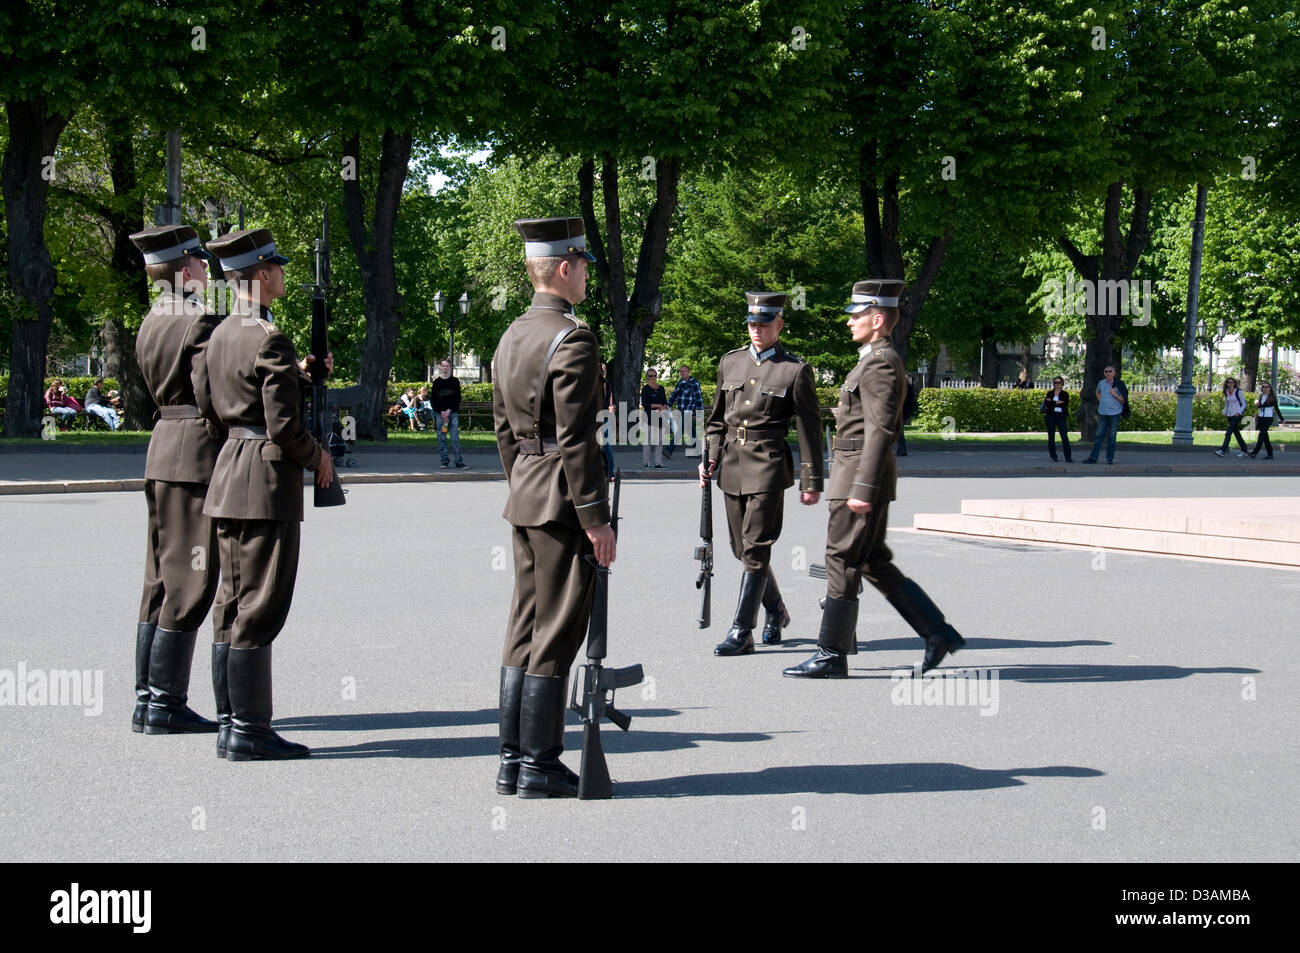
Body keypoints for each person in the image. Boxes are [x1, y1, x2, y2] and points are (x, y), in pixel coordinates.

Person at [198, 227, 335, 761]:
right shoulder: (268, 338)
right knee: (260, 601)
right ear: (259, 274)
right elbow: (282, 427)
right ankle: (250, 732)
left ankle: (231, 722)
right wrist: (317, 456)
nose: (282, 273)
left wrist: (298, 378)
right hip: (265, 477)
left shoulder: (223, 334)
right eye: (276, 266)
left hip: (229, 469)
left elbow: (214, 408)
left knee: (230, 601)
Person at [784, 279, 965, 679]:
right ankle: (937, 633)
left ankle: (832, 653)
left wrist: (862, 488)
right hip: (859, 476)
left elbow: (882, 428)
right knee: (873, 561)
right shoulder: (873, 359)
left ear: (877, 319)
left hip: (859, 480)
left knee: (841, 558)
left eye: (857, 315)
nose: (850, 322)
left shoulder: (881, 362)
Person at [493, 216, 615, 799]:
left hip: (525, 494)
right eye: (584, 264)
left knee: (523, 627)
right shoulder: (574, 337)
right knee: (558, 630)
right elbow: (577, 439)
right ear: (564, 268)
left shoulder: (511, 335)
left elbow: (503, 431)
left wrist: (521, 484)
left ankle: (512, 760)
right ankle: (539, 764)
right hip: (563, 500)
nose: (587, 274)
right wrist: (596, 518)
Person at [126, 224, 223, 738]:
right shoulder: (199, 318)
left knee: (159, 578)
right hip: (195, 452)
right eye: (201, 262)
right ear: (186, 269)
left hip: (162, 445)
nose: (207, 270)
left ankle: (147, 696)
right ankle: (166, 702)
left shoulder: (151, 320)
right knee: (190, 577)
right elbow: (213, 395)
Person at [700, 291, 824, 656]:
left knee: (755, 548)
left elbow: (809, 429)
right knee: (741, 549)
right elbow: (716, 420)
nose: (756, 329)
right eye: (752, 323)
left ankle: (742, 631)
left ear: (779, 325)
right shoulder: (731, 363)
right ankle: (776, 610)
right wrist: (709, 456)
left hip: (769, 465)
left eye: (764, 323)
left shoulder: (794, 370)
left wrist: (811, 479)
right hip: (732, 464)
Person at [1082, 365, 1126, 464]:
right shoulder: (1101, 383)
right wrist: (1100, 400)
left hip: (1114, 413)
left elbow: (1123, 400)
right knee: (1098, 436)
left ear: (1114, 373)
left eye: (1110, 371)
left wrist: (1114, 394)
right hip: (1103, 413)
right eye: (1106, 371)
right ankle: (1093, 458)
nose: (1108, 373)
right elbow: (1097, 391)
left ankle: (1109, 459)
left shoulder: (1119, 384)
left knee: (1112, 437)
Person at [431, 358, 466, 468]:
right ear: (440, 367)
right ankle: (444, 460)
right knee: (442, 437)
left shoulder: (455, 381)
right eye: (443, 366)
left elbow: (457, 398)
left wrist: (448, 411)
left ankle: (458, 461)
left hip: (452, 414)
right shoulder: (437, 382)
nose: (445, 368)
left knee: (455, 438)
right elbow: (433, 400)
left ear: (450, 367)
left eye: (447, 366)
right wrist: (441, 412)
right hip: (441, 416)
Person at [666, 364, 703, 460]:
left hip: (688, 411)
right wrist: (667, 405)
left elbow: (698, 398)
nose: (682, 373)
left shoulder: (694, 383)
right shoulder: (680, 383)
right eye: (680, 372)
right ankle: (698, 451)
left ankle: (669, 450)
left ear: (688, 372)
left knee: (679, 431)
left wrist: (699, 412)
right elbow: (674, 395)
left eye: (684, 371)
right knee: (690, 431)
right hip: (680, 411)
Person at [1214, 377, 1249, 458]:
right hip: (1229, 415)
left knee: (1229, 432)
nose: (1230, 384)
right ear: (1226, 384)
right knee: (1236, 433)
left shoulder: (1238, 392)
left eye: (1232, 382)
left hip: (1236, 415)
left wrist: (1239, 412)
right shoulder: (1226, 392)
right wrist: (1225, 412)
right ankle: (1244, 449)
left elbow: (1244, 404)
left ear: (1234, 383)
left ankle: (1222, 450)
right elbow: (1227, 404)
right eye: (1229, 382)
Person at [640, 369, 669, 468]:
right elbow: (645, 404)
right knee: (648, 441)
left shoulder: (661, 388)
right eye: (651, 376)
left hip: (660, 417)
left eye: (655, 375)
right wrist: (658, 406)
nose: (653, 377)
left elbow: (665, 400)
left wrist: (664, 407)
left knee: (659, 441)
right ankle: (646, 462)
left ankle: (658, 462)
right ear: (647, 377)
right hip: (649, 417)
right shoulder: (645, 389)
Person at [1250, 381, 1284, 459]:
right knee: (1265, 437)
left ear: (1269, 388)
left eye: (1266, 387)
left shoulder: (1272, 397)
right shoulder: (1261, 396)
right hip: (1261, 417)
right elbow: (1260, 406)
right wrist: (1257, 405)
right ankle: (1270, 454)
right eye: (1263, 387)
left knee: (1261, 435)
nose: (1265, 388)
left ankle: (1254, 452)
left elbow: (1276, 409)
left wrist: (1282, 419)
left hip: (1268, 418)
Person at [1043, 376, 1073, 462]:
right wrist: (1056, 403)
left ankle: (1068, 457)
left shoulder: (1065, 394)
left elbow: (1064, 404)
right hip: (1050, 416)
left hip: (1061, 416)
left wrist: (1052, 403)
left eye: (1059, 382)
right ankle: (1053, 456)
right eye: (1056, 382)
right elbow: (1047, 404)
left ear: (1062, 384)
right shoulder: (1050, 393)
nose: (1057, 384)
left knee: (1064, 437)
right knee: (1051, 437)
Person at [599, 361, 616, 480]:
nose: (603, 373)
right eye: (601, 371)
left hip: (604, 416)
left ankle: (610, 473)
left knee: (607, 445)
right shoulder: (591, 384)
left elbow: (610, 398)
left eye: (604, 371)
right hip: (591, 417)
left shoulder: (607, 384)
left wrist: (612, 407)